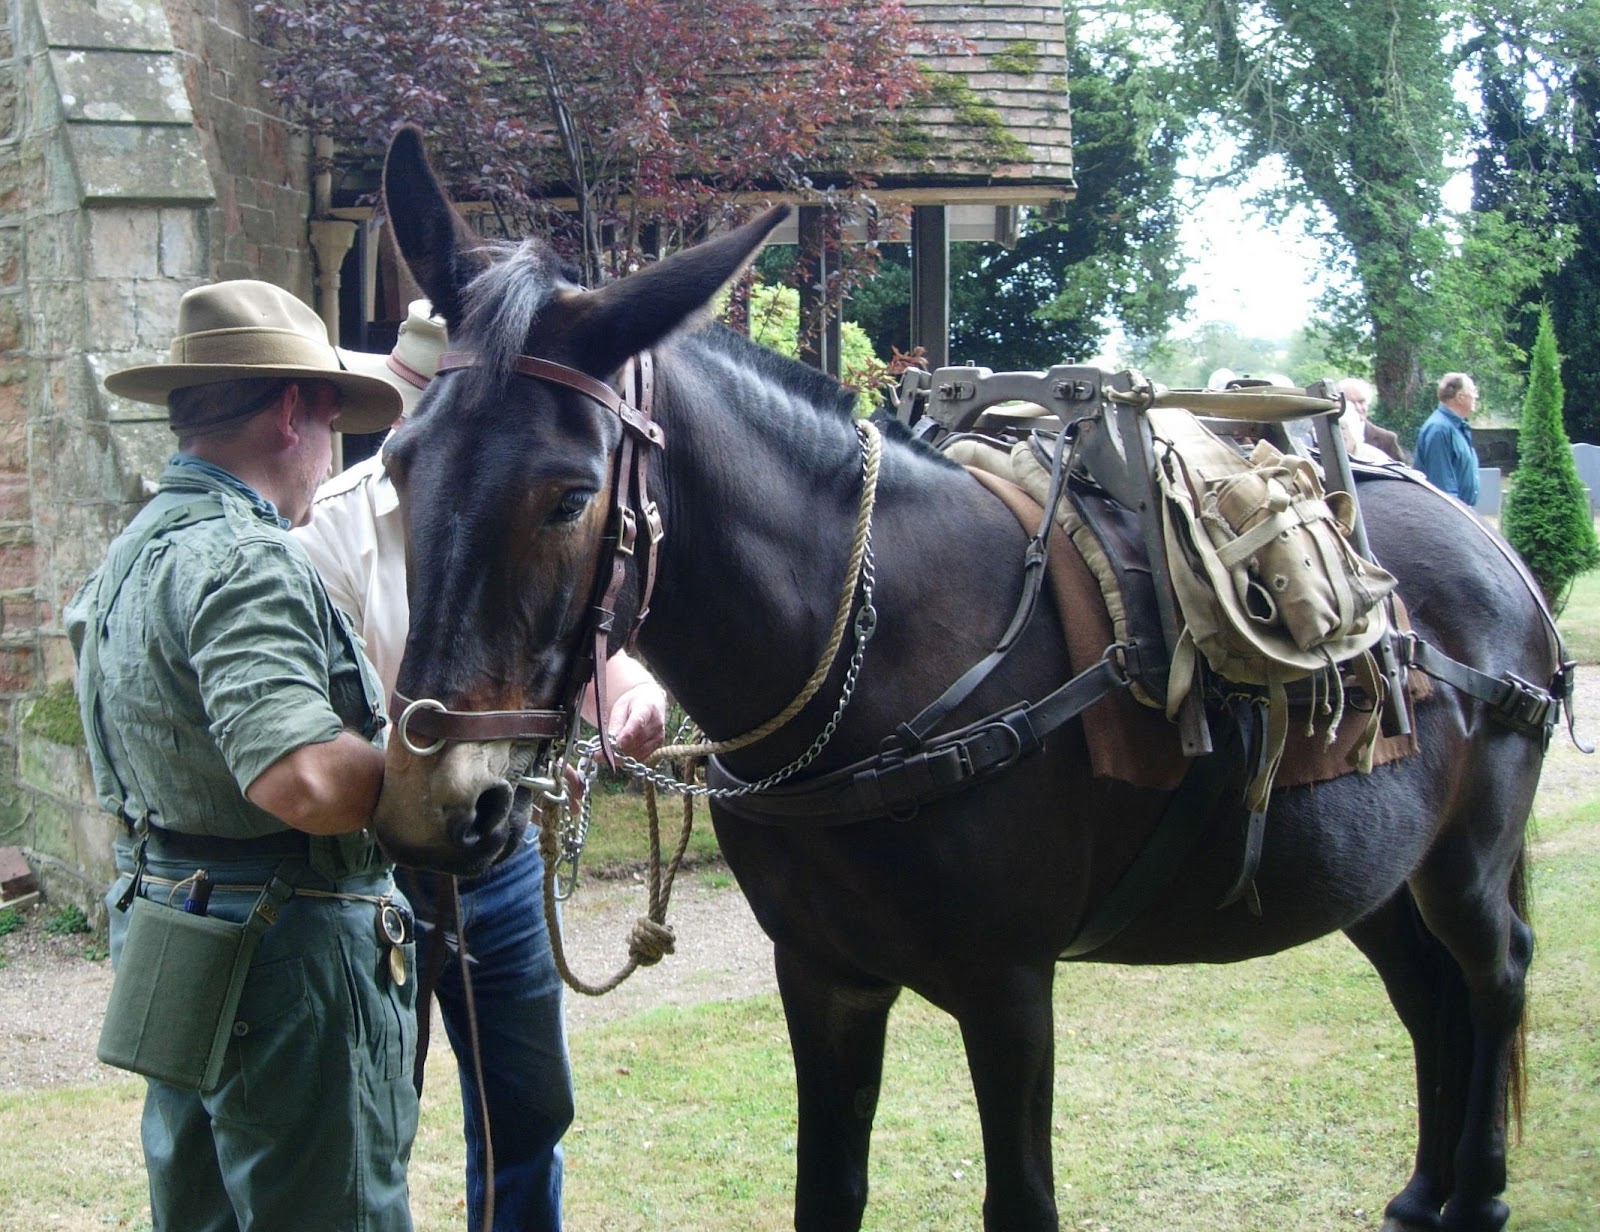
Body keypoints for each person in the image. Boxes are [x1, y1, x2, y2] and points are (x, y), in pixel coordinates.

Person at [295, 300, 669, 1232]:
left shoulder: (518, 497)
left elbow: (562, 633)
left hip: (499, 860)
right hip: (375, 871)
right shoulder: (332, 532)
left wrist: (625, 695)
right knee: (375, 1115)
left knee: (527, 1108)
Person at [66, 281, 417, 1230]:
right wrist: (425, 767)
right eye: (333, 407)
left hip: (179, 928)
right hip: (287, 949)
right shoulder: (248, 557)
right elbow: (297, 778)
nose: (336, 437)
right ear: (295, 408)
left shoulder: (136, 548)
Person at [1414, 372, 1482, 505]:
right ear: (1460, 397)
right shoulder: (1439, 429)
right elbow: (1442, 488)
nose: (1476, 396)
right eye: (1473, 391)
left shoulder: (1457, 427)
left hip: (1461, 513)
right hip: (1449, 515)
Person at [1336, 376, 1406, 463]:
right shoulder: (1327, 436)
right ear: (1338, 405)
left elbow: (1401, 473)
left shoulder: (1387, 439)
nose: (1358, 407)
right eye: (1350, 403)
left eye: (1362, 402)